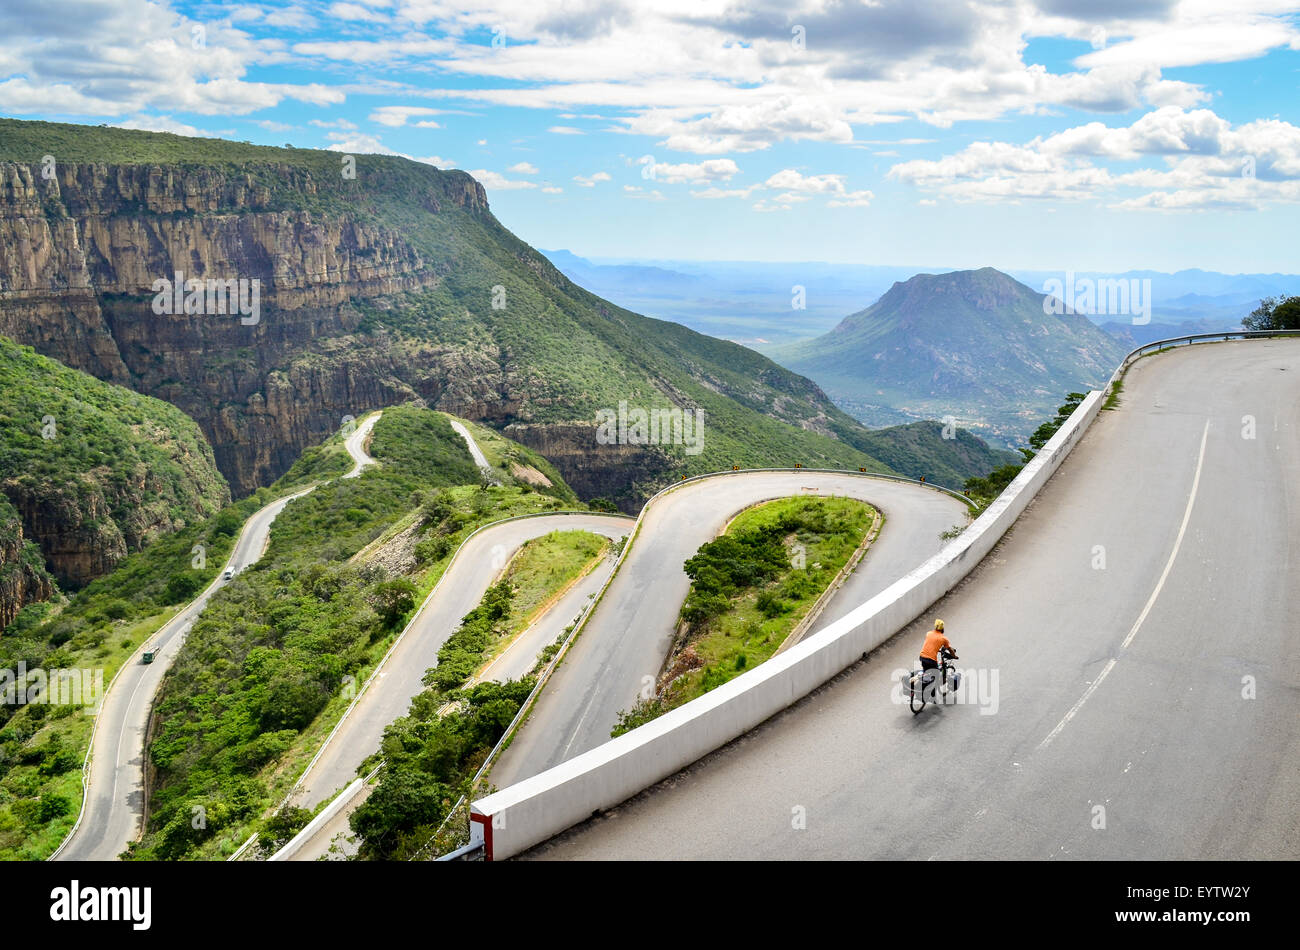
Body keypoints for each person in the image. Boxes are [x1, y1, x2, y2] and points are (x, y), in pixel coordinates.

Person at [919, 619, 957, 691]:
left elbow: (931, 643)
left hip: (922, 657)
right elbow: (950, 649)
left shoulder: (928, 633)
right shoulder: (943, 639)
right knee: (936, 675)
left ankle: (923, 683)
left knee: (926, 671)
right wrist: (954, 656)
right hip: (931, 660)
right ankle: (931, 694)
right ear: (942, 628)